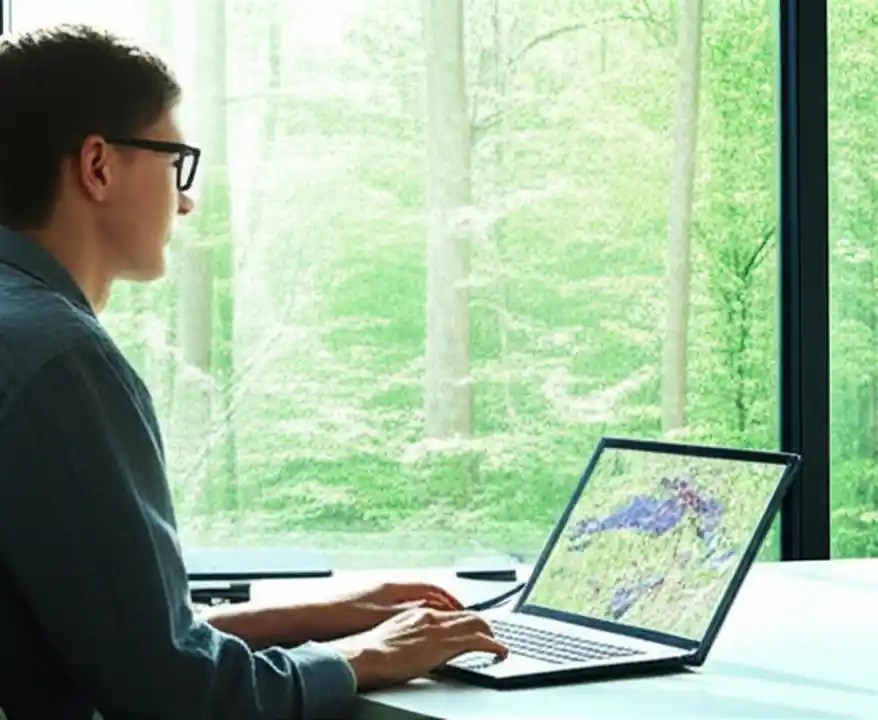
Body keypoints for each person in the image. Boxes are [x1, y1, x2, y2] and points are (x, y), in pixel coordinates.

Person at [0, 23, 507, 720]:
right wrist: (365, 656)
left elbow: (107, 643)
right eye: (175, 163)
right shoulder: (60, 360)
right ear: (98, 166)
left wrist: (317, 615)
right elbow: (174, 695)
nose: (186, 201)